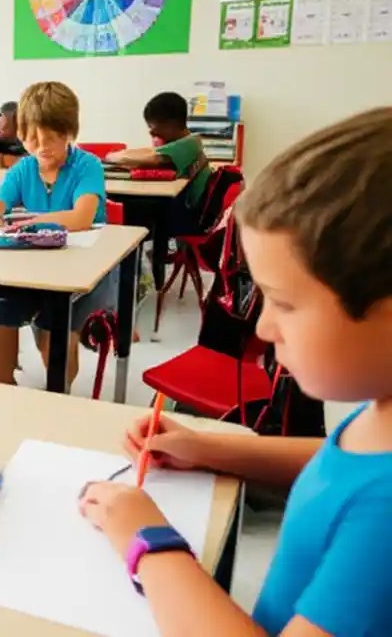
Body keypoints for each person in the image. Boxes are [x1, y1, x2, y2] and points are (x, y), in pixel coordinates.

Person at [78, 108, 392, 636]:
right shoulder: (379, 408)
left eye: (286, 304)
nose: (264, 328)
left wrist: (148, 541)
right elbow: (344, 461)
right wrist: (211, 449)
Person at [0, 82, 111, 387]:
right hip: (35, 269)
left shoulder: (86, 165)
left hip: (84, 272)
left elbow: (80, 218)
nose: (42, 147)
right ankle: (2, 382)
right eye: (31, 138)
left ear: (70, 132)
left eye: (51, 138)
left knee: (55, 324)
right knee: (3, 304)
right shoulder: (23, 169)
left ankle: (58, 390)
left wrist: (27, 222)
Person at [104, 92, 212, 235]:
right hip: (190, 210)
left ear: (170, 125)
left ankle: (134, 251)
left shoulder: (187, 145)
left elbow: (153, 157)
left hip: (189, 217)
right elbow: (151, 151)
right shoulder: (188, 141)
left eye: (153, 125)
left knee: (128, 206)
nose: (151, 131)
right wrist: (123, 155)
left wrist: (113, 157)